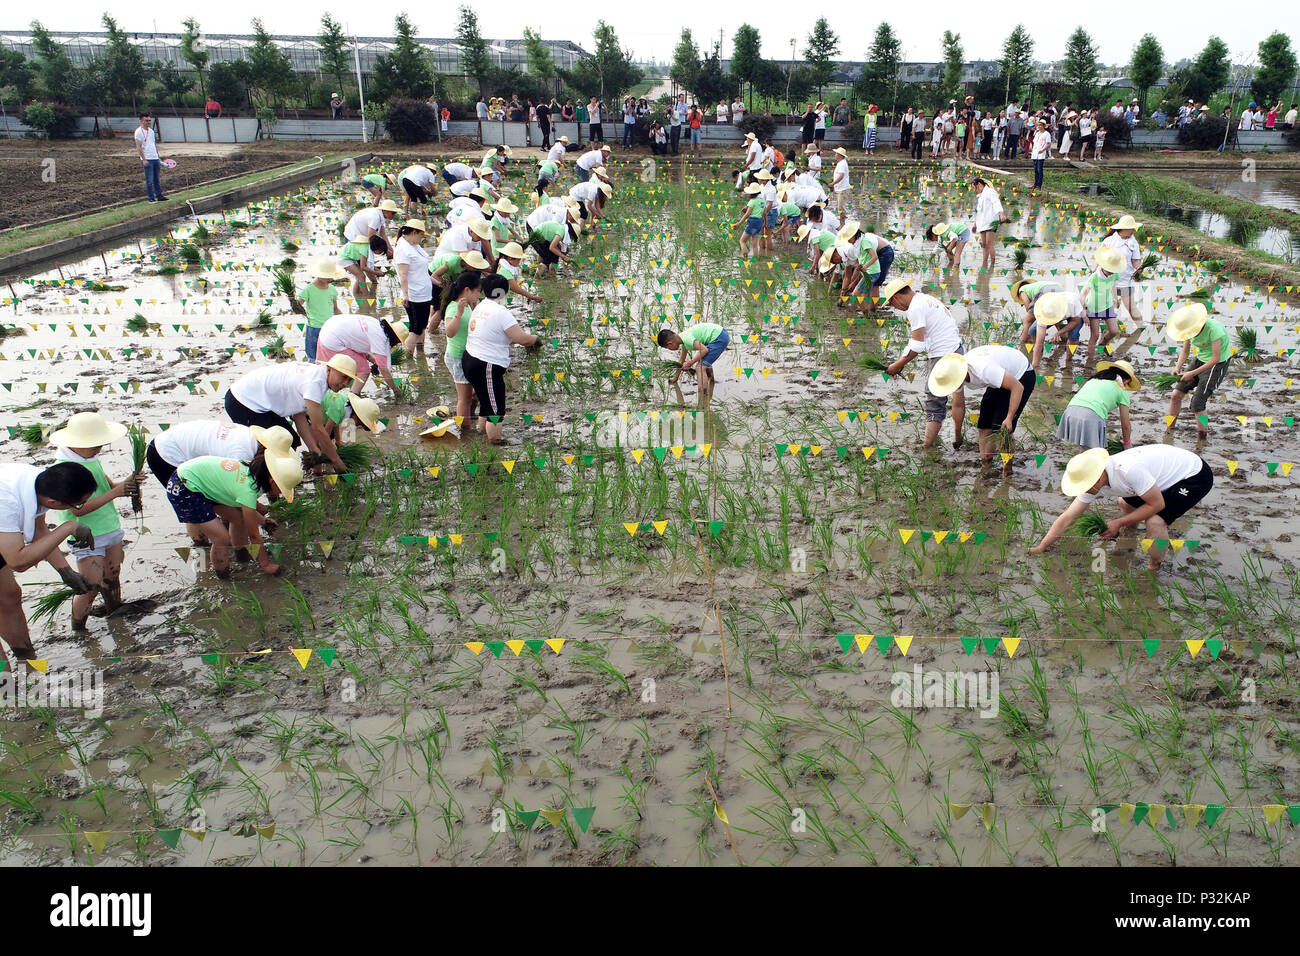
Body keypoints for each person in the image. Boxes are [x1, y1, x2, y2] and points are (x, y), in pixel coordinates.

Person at [1028, 445, 1213, 572]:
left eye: (1085, 485)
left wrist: (1118, 522)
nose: (1084, 489)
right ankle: (1128, 536)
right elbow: (1068, 517)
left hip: (1193, 474)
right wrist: (1042, 546)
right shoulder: (1094, 480)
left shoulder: (1128, 471)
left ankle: (1154, 567)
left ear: (1097, 478)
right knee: (1125, 503)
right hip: (1159, 476)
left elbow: (1157, 504)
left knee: (1155, 521)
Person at [46, 413, 143, 630]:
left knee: (112, 575)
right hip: (87, 535)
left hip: (110, 527)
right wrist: (116, 493)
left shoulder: (91, 459)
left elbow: (109, 487)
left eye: (100, 444)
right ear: (76, 442)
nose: (99, 448)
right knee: (90, 586)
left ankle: (114, 612)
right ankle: (79, 628)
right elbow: (78, 509)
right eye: (94, 444)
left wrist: (128, 483)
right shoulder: (65, 470)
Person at [0, 461, 100, 659]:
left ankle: (26, 657)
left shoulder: (40, 482)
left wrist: (65, 571)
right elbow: (18, 561)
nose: (80, 507)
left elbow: (39, 531)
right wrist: (68, 527)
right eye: (78, 504)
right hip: (6, 537)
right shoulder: (6, 503)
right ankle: (5, 676)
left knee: (9, 596)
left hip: (3, 536)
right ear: (54, 502)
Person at [166, 451, 301, 579]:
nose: (282, 493)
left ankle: (242, 556)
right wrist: (266, 565)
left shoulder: (253, 472)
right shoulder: (248, 491)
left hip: (197, 479)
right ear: (272, 482)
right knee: (221, 539)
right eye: (283, 488)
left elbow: (240, 504)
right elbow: (253, 535)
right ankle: (223, 576)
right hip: (184, 488)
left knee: (238, 518)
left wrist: (263, 521)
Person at [224, 358, 358, 471]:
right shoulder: (315, 383)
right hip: (243, 401)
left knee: (291, 440)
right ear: (329, 369)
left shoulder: (318, 375)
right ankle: (266, 481)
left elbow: (299, 416)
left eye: (349, 380)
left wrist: (313, 449)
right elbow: (318, 429)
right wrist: (337, 462)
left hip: (260, 401)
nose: (345, 384)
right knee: (272, 446)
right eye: (343, 377)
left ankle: (278, 477)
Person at [881, 278, 966, 449]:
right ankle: (957, 437)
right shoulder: (927, 299)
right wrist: (903, 359)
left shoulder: (915, 308)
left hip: (942, 356)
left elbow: (918, 345)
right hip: (957, 350)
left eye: (892, 304)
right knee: (958, 395)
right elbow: (919, 340)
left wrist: (899, 364)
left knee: (934, 402)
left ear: (896, 297)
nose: (895, 308)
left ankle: (927, 446)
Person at [462, 274, 542, 442]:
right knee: (496, 411)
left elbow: (497, 334)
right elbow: (522, 339)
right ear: (502, 292)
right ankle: (495, 445)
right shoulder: (500, 312)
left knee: (486, 402)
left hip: (470, 359)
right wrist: (535, 340)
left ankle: (483, 438)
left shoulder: (480, 306)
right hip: (486, 365)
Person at [929, 345, 1035, 468]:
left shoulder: (984, 370)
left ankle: (1007, 469)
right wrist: (958, 435)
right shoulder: (954, 376)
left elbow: (1017, 387)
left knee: (1002, 429)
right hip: (1000, 375)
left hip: (1021, 375)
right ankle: (986, 463)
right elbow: (958, 405)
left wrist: (1010, 417)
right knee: (984, 424)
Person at [1165, 302, 1230, 437]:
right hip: (1200, 359)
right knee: (1176, 395)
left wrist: (1192, 373)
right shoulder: (1188, 331)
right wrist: (1178, 367)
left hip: (1216, 364)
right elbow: (1185, 352)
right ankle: (1169, 430)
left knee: (1197, 403)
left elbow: (1216, 358)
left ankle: (1202, 437)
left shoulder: (1214, 329)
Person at [1055, 361, 1138, 450]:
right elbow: (1125, 425)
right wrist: (1126, 443)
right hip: (1089, 416)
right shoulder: (1122, 390)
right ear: (1126, 380)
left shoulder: (1094, 380)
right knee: (1098, 454)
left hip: (1070, 412)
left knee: (1087, 449)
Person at [442, 272, 484, 427]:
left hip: (468, 356)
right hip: (457, 357)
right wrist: (459, 313)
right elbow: (450, 332)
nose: (479, 294)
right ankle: (464, 431)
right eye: (477, 291)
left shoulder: (467, 306)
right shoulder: (454, 307)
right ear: (467, 290)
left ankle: (467, 419)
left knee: (475, 392)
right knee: (464, 399)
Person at [657, 322, 730, 410]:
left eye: (668, 348)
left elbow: (704, 350)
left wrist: (690, 363)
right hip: (720, 333)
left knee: (700, 367)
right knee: (705, 362)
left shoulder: (686, 339)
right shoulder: (682, 339)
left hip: (719, 338)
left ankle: (702, 394)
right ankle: (711, 382)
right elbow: (681, 361)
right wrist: (675, 379)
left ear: (670, 343)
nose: (670, 349)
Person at [1015, 283, 1082, 369]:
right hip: (1055, 309)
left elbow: (1075, 321)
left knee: (1073, 336)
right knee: (1033, 330)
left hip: (1076, 313)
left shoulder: (1072, 303)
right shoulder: (1043, 311)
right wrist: (1034, 366)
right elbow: (1039, 342)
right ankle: (1043, 352)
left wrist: (1059, 332)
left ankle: (1068, 362)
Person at [392, 219, 433, 358]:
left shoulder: (414, 245)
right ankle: (407, 359)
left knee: (422, 326)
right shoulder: (403, 249)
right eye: (421, 235)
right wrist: (406, 295)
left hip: (424, 293)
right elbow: (403, 275)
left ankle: (421, 355)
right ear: (414, 232)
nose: (422, 238)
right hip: (414, 295)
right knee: (415, 329)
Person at [341, 199, 398, 293]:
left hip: (362, 238)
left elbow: (382, 233)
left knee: (360, 273)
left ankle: (363, 292)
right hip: (353, 237)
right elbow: (371, 239)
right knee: (362, 270)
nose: (394, 215)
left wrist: (390, 249)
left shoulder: (381, 215)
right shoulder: (375, 217)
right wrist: (376, 274)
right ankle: (368, 293)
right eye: (393, 213)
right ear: (386, 211)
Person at [1080, 245, 1127, 351]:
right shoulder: (1094, 277)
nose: (1113, 271)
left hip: (1107, 305)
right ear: (1104, 265)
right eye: (1111, 269)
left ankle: (1102, 345)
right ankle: (1090, 358)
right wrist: (1083, 313)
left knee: (1114, 331)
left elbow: (1113, 285)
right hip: (1094, 307)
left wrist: (1115, 298)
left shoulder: (1114, 275)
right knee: (1095, 335)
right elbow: (1083, 293)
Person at [1101, 214, 1145, 326]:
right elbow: (1100, 259)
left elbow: (1135, 260)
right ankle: (1109, 331)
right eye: (1131, 228)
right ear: (1123, 228)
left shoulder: (1133, 242)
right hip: (1109, 280)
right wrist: (1095, 272)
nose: (1133, 230)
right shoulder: (1109, 241)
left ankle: (1141, 328)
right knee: (1109, 307)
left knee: (1131, 307)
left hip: (1126, 280)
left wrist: (1139, 268)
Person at [297, 258, 344, 361]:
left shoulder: (332, 289)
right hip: (314, 327)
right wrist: (292, 300)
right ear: (319, 274)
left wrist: (345, 320)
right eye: (327, 276)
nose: (330, 278)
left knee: (329, 355)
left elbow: (336, 309)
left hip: (329, 328)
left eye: (332, 275)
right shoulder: (309, 289)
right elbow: (297, 307)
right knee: (313, 356)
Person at [972, 178, 1008, 270]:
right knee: (984, 244)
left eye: (974, 188)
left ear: (979, 184)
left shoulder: (990, 192)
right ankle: (985, 264)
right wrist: (975, 224)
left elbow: (996, 202)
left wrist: (1001, 213)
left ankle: (991, 264)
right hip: (982, 223)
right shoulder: (981, 196)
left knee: (989, 244)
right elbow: (979, 211)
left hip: (991, 221)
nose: (974, 190)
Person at [134, 114, 167, 203]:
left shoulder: (151, 131)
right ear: (141, 121)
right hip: (147, 158)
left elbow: (153, 145)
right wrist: (144, 159)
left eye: (149, 120)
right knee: (149, 180)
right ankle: (151, 198)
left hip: (155, 157)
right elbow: (138, 147)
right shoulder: (138, 132)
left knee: (157, 179)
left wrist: (158, 157)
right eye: (146, 120)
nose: (149, 122)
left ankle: (159, 196)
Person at [733, 183, 766, 258]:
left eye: (748, 193)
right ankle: (756, 260)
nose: (747, 194)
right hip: (760, 222)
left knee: (742, 241)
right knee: (755, 244)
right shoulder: (762, 201)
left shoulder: (752, 201)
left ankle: (745, 258)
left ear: (751, 194)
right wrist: (765, 222)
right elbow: (764, 213)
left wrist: (739, 223)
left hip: (752, 222)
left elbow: (747, 214)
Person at [1030, 118, 1051, 191]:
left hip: (1041, 153)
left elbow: (1048, 144)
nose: (1039, 126)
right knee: (1036, 169)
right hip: (1035, 153)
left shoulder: (1046, 134)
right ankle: (1035, 184)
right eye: (1038, 125)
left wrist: (1042, 150)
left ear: (1044, 126)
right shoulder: (1037, 133)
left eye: (1040, 125)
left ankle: (1039, 185)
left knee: (1039, 169)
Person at [830, 147, 850, 215]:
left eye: (836, 154)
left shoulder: (842, 164)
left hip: (843, 189)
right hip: (840, 188)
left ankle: (843, 220)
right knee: (840, 208)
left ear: (840, 155)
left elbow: (841, 176)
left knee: (841, 208)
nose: (835, 155)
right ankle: (842, 220)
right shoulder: (840, 163)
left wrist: (833, 183)